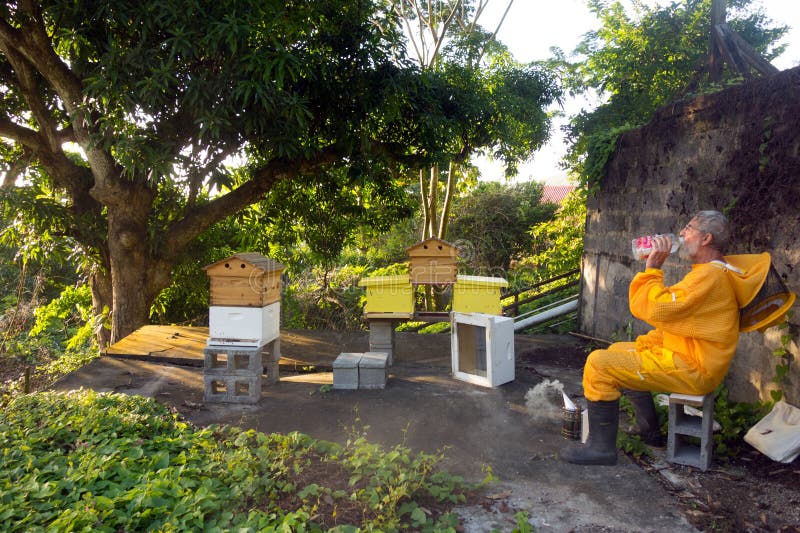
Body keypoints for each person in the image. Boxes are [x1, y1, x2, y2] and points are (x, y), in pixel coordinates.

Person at [563, 210, 770, 466]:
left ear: (705, 238)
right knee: (617, 350)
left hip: (693, 368)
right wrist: (647, 344)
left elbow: (656, 309)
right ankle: (648, 430)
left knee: (598, 363)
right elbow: (679, 322)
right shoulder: (708, 272)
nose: (681, 233)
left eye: (688, 227)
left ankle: (601, 449)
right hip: (687, 357)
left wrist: (652, 269)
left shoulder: (710, 277)